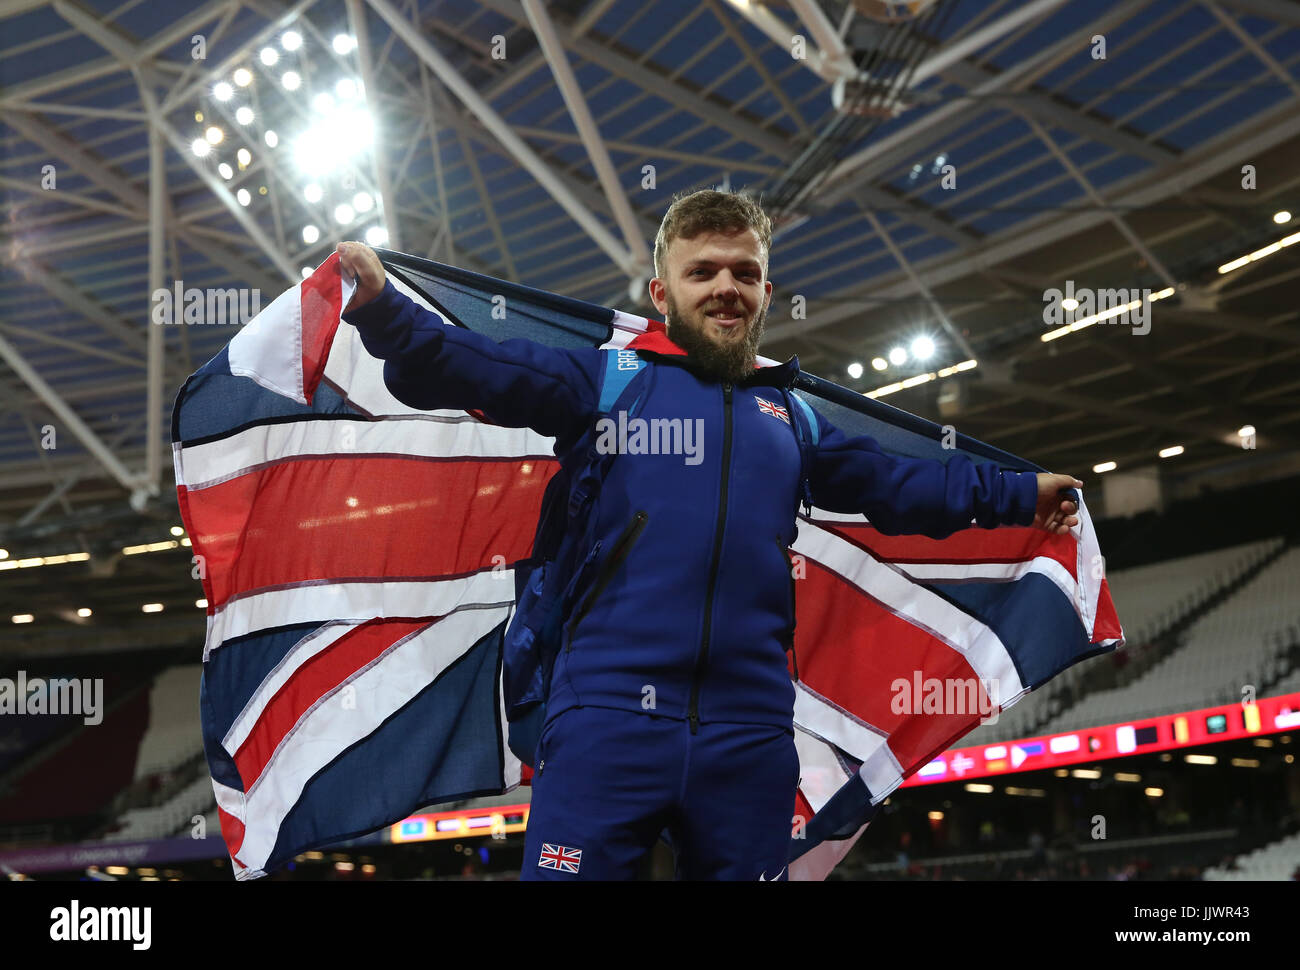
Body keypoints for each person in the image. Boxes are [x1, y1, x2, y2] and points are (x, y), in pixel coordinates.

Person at [335, 189, 1081, 881]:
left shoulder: (793, 417)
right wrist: (382, 312)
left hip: (749, 733)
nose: (726, 285)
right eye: (703, 271)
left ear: (763, 292)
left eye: (744, 272)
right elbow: (476, 367)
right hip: (608, 715)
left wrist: (1017, 492)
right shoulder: (609, 382)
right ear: (663, 295)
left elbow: (901, 485)